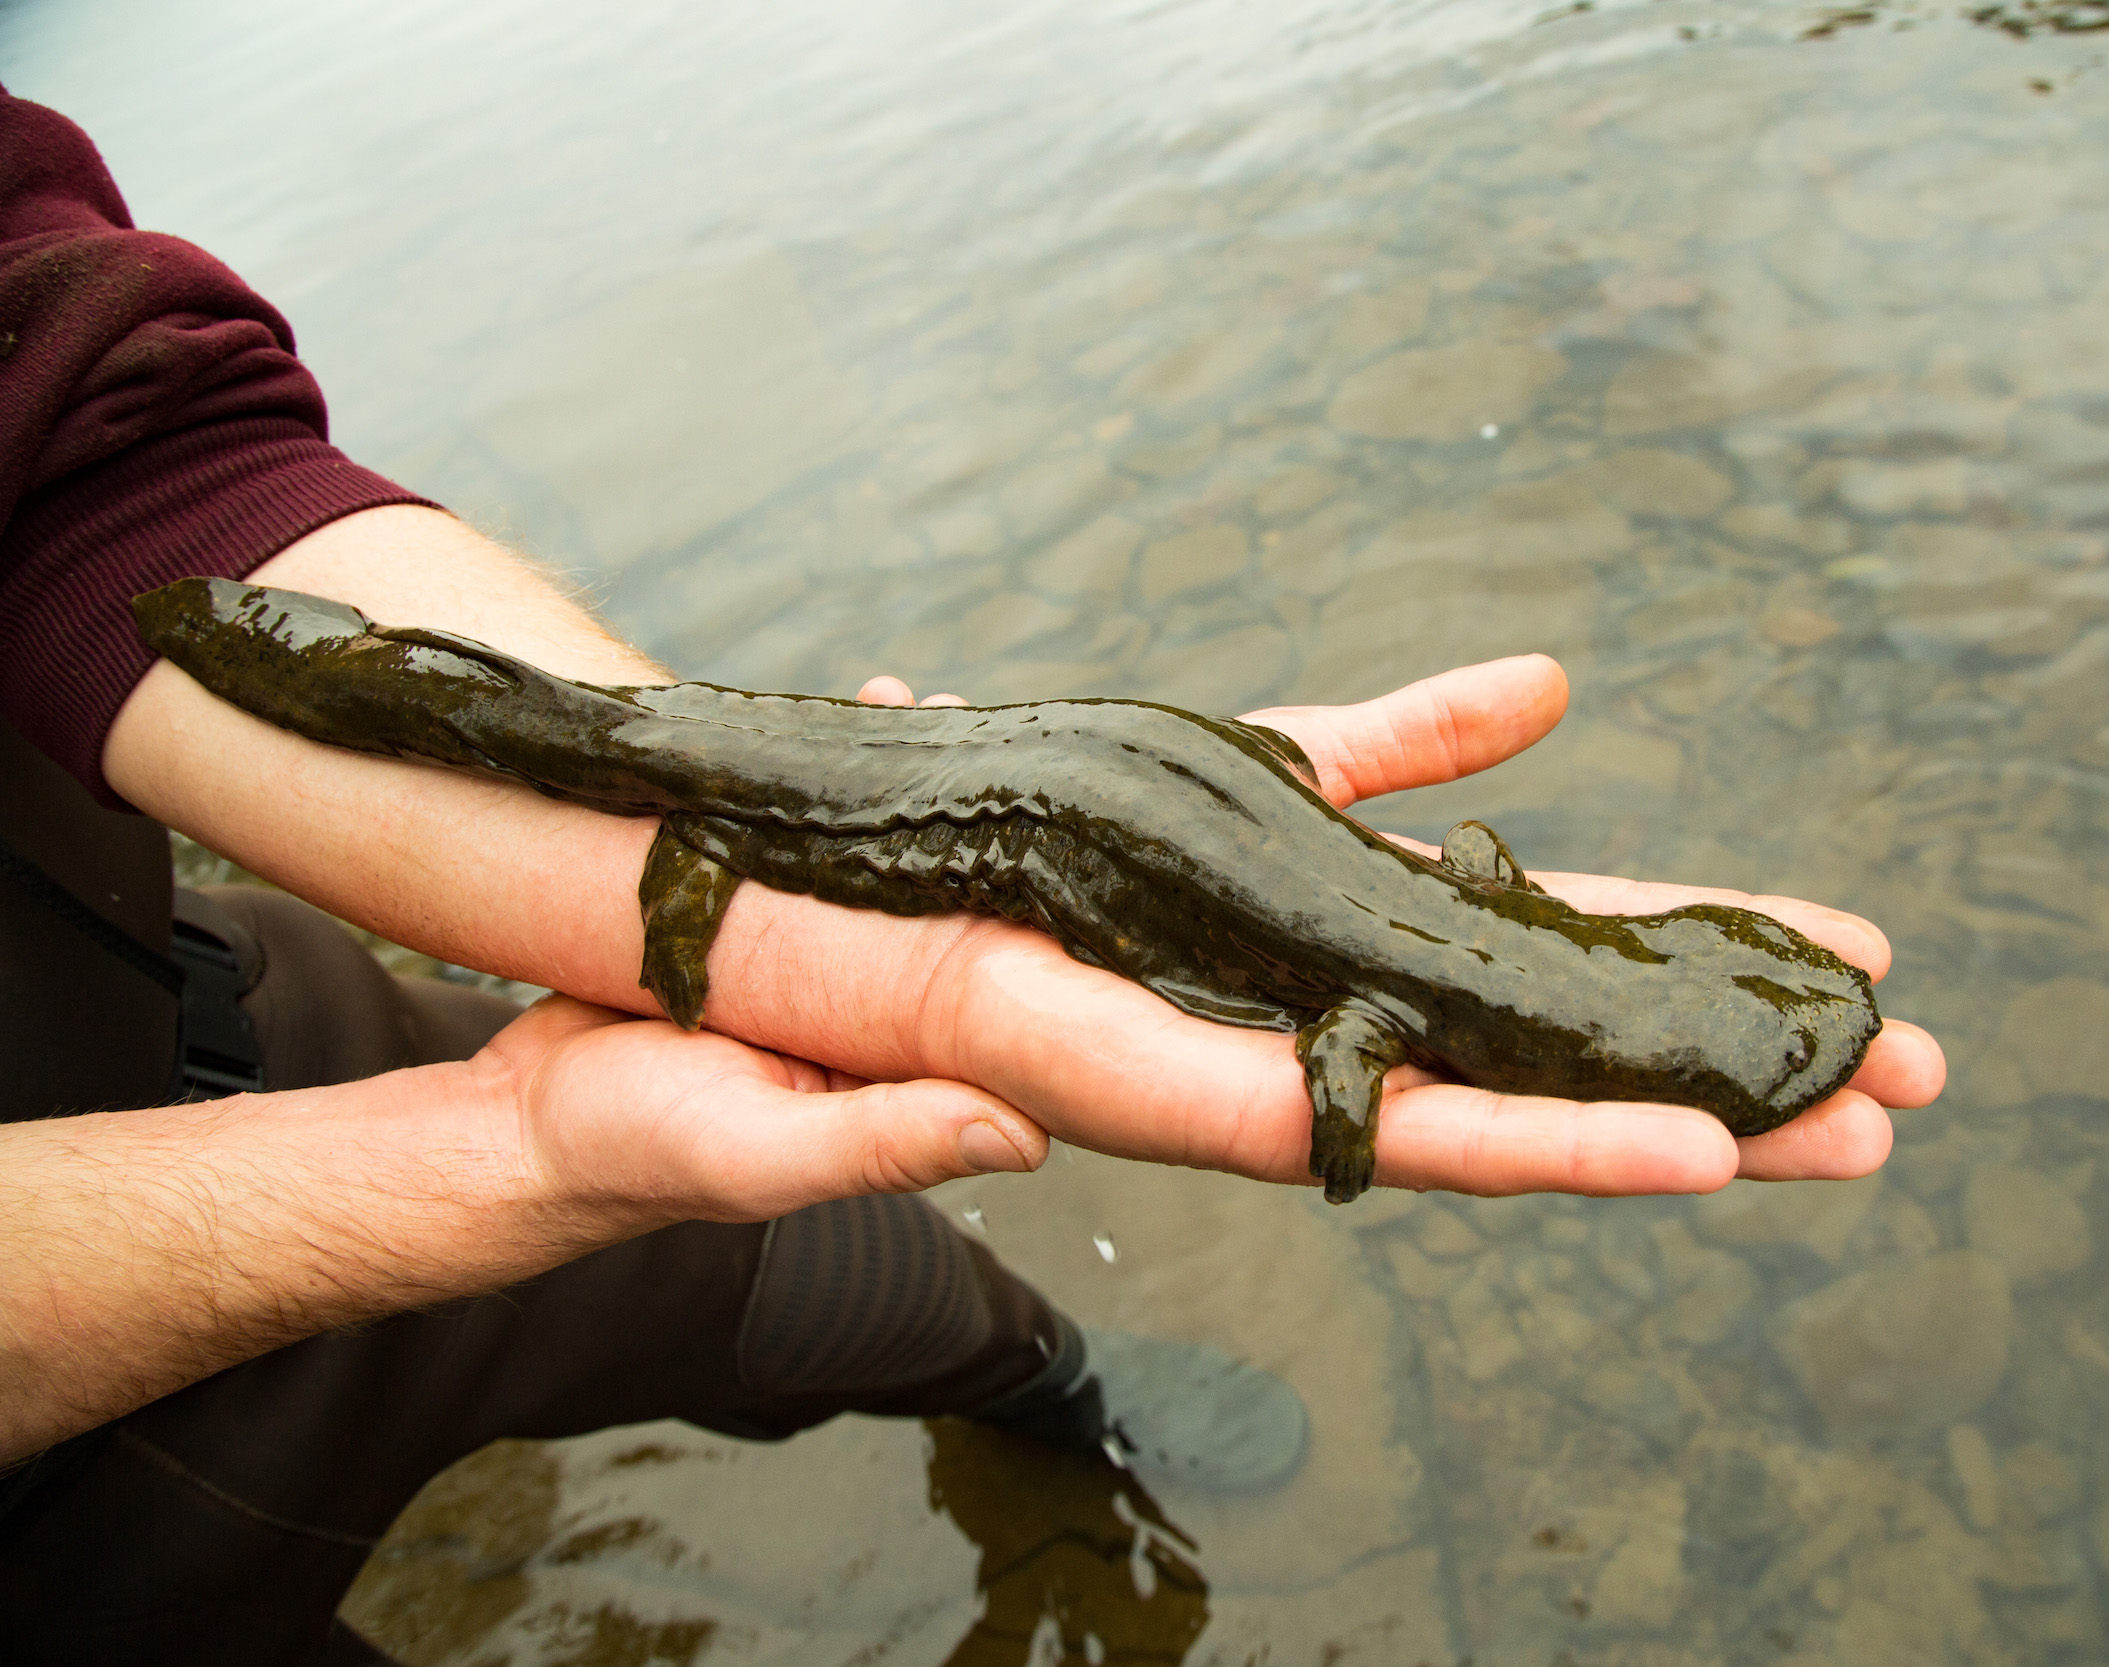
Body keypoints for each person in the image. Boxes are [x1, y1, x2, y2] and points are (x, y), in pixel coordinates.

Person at [0, 88, 1945, 1664]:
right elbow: (1362, 1038)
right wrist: (520, 1135)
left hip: (182, 998)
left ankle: (1041, 1401)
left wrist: (629, 955)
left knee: (826, 1220)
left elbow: (103, 438)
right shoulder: (1415, 990)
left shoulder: (1455, 949)